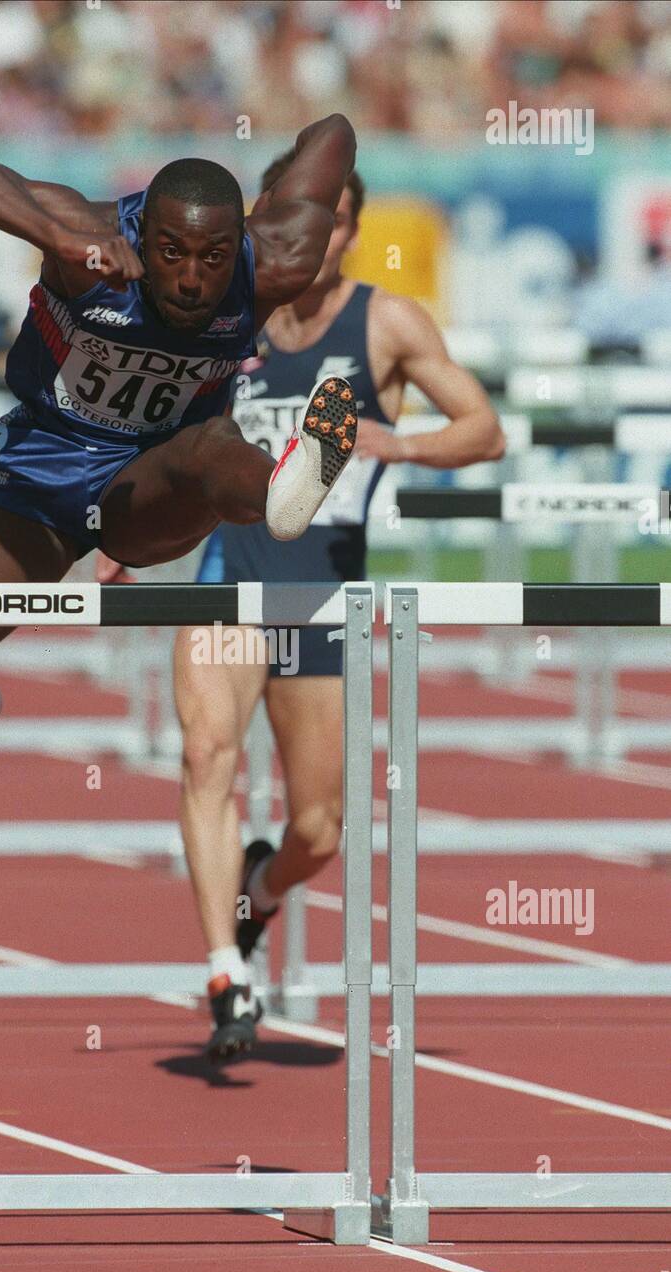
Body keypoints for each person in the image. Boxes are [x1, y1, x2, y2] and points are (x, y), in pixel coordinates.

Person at [0, 115, 364, 801]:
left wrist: (285, 164)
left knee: (208, 449)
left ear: (240, 240)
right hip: (38, 473)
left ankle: (283, 490)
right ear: (142, 235)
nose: (191, 281)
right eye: (171, 253)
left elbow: (335, 133)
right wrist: (51, 239)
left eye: (213, 259)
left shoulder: (277, 261)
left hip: (151, 483)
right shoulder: (84, 234)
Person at [169, 151, 506, 1064]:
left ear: (351, 232)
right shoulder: (220, 317)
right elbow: (154, 437)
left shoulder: (384, 322)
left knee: (319, 827)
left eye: (335, 223)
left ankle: (260, 892)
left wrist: (389, 440)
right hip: (227, 577)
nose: (314, 240)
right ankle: (224, 973)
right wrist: (124, 542)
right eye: (294, 221)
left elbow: (484, 430)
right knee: (207, 754)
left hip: (323, 594)